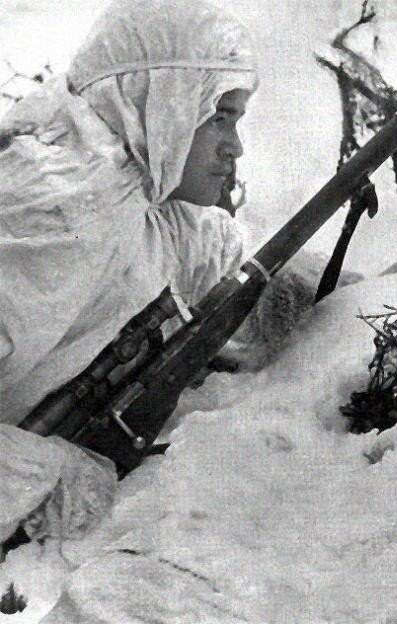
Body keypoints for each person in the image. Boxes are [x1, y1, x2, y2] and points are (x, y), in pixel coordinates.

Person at [1, 0, 257, 548]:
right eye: (220, 116)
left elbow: (224, 253)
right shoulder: (48, 207)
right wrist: (35, 471)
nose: (235, 146)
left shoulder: (141, 197)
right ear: (162, 99)